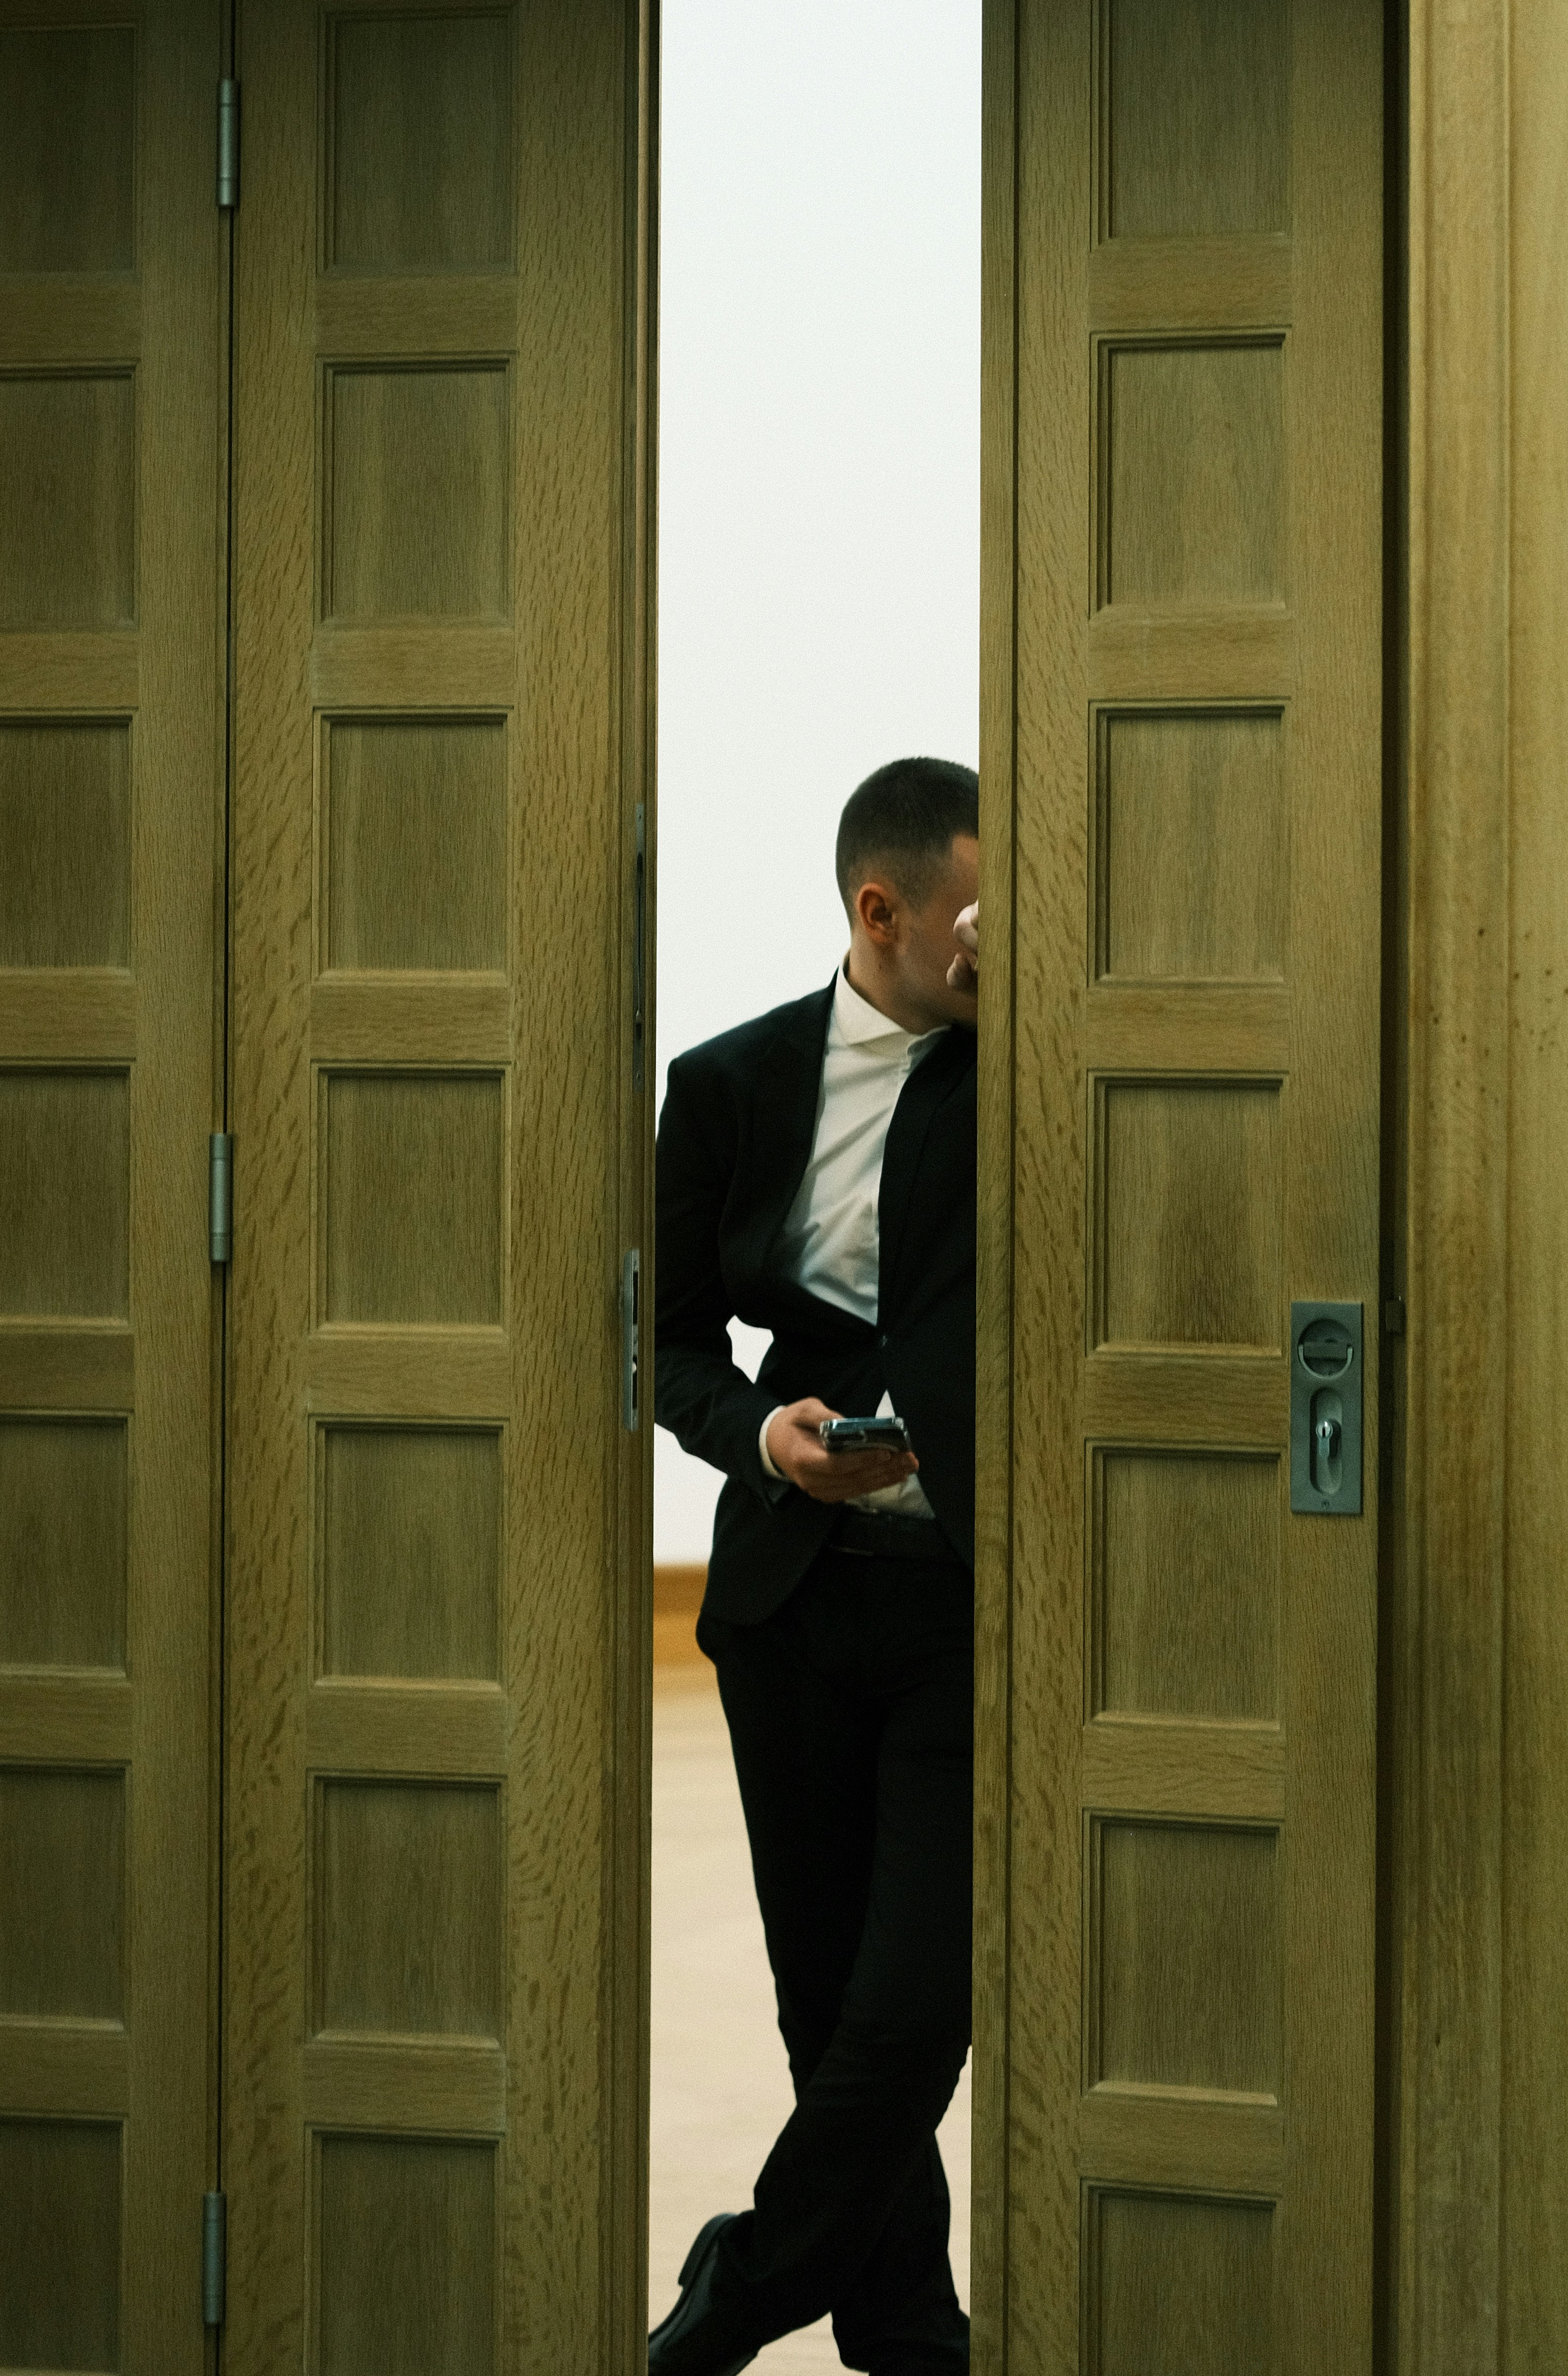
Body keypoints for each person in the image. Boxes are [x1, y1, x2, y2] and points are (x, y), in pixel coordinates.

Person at [648, 755, 982, 2376]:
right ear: (884, 911)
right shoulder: (730, 1085)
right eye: (982, 916)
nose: (1008, 946)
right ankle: (911, 2339)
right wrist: (755, 1435)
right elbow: (668, 1348)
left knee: (919, 2010)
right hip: (790, 1598)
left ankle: (743, 2287)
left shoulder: (1036, 1074)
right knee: (821, 2002)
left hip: (960, 1604)